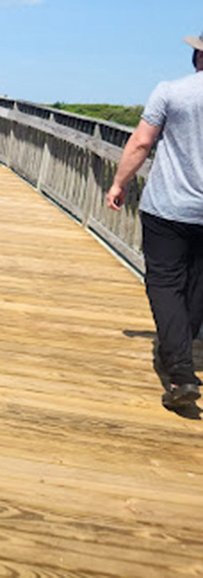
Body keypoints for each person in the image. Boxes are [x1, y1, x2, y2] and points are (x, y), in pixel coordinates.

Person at [106, 33, 203, 409]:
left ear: (197, 55)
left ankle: (180, 372)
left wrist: (119, 183)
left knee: (164, 282)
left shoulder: (171, 91)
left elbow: (142, 143)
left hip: (168, 207)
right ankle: (177, 354)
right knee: (197, 285)